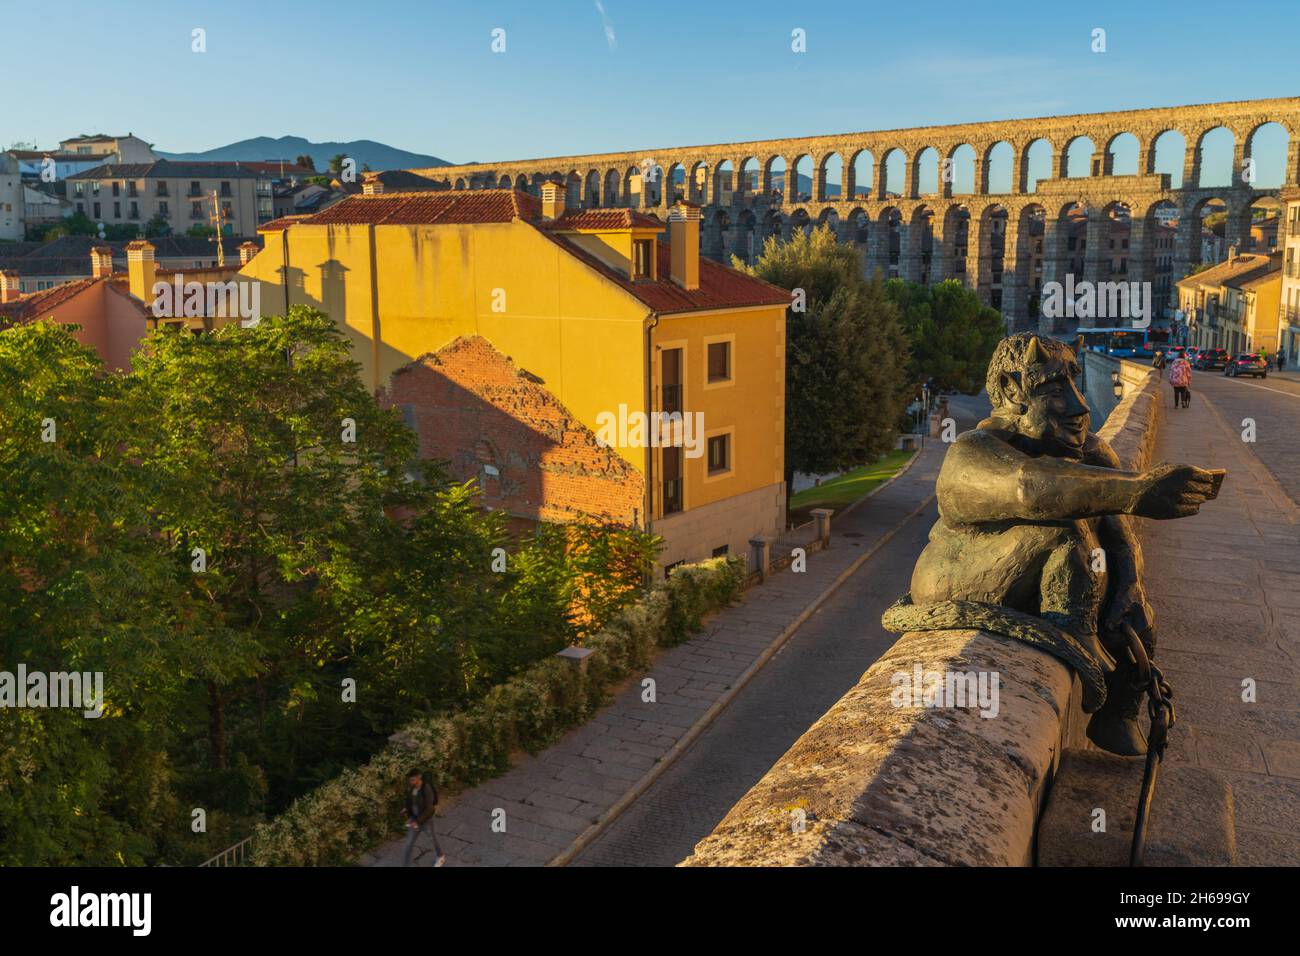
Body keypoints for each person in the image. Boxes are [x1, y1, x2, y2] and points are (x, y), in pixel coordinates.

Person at [402, 769, 445, 867]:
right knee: (408, 845)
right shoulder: (412, 787)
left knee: (432, 839)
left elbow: (430, 809)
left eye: (413, 780)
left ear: (419, 777)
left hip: (425, 820)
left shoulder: (426, 789)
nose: (411, 782)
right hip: (414, 818)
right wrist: (406, 808)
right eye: (410, 780)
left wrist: (417, 822)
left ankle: (440, 856)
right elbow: (410, 800)